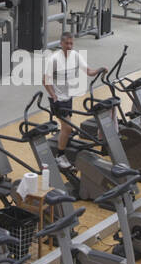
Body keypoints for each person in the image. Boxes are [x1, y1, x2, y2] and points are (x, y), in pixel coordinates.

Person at [43, 32, 103, 171]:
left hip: (68, 98)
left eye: (71, 43)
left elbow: (89, 71)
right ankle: (60, 155)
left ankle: (63, 143)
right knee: (67, 128)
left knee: (67, 128)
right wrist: (53, 96)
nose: (69, 46)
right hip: (58, 100)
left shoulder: (75, 56)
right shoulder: (54, 59)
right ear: (61, 43)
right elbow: (45, 80)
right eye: (67, 43)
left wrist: (100, 69)